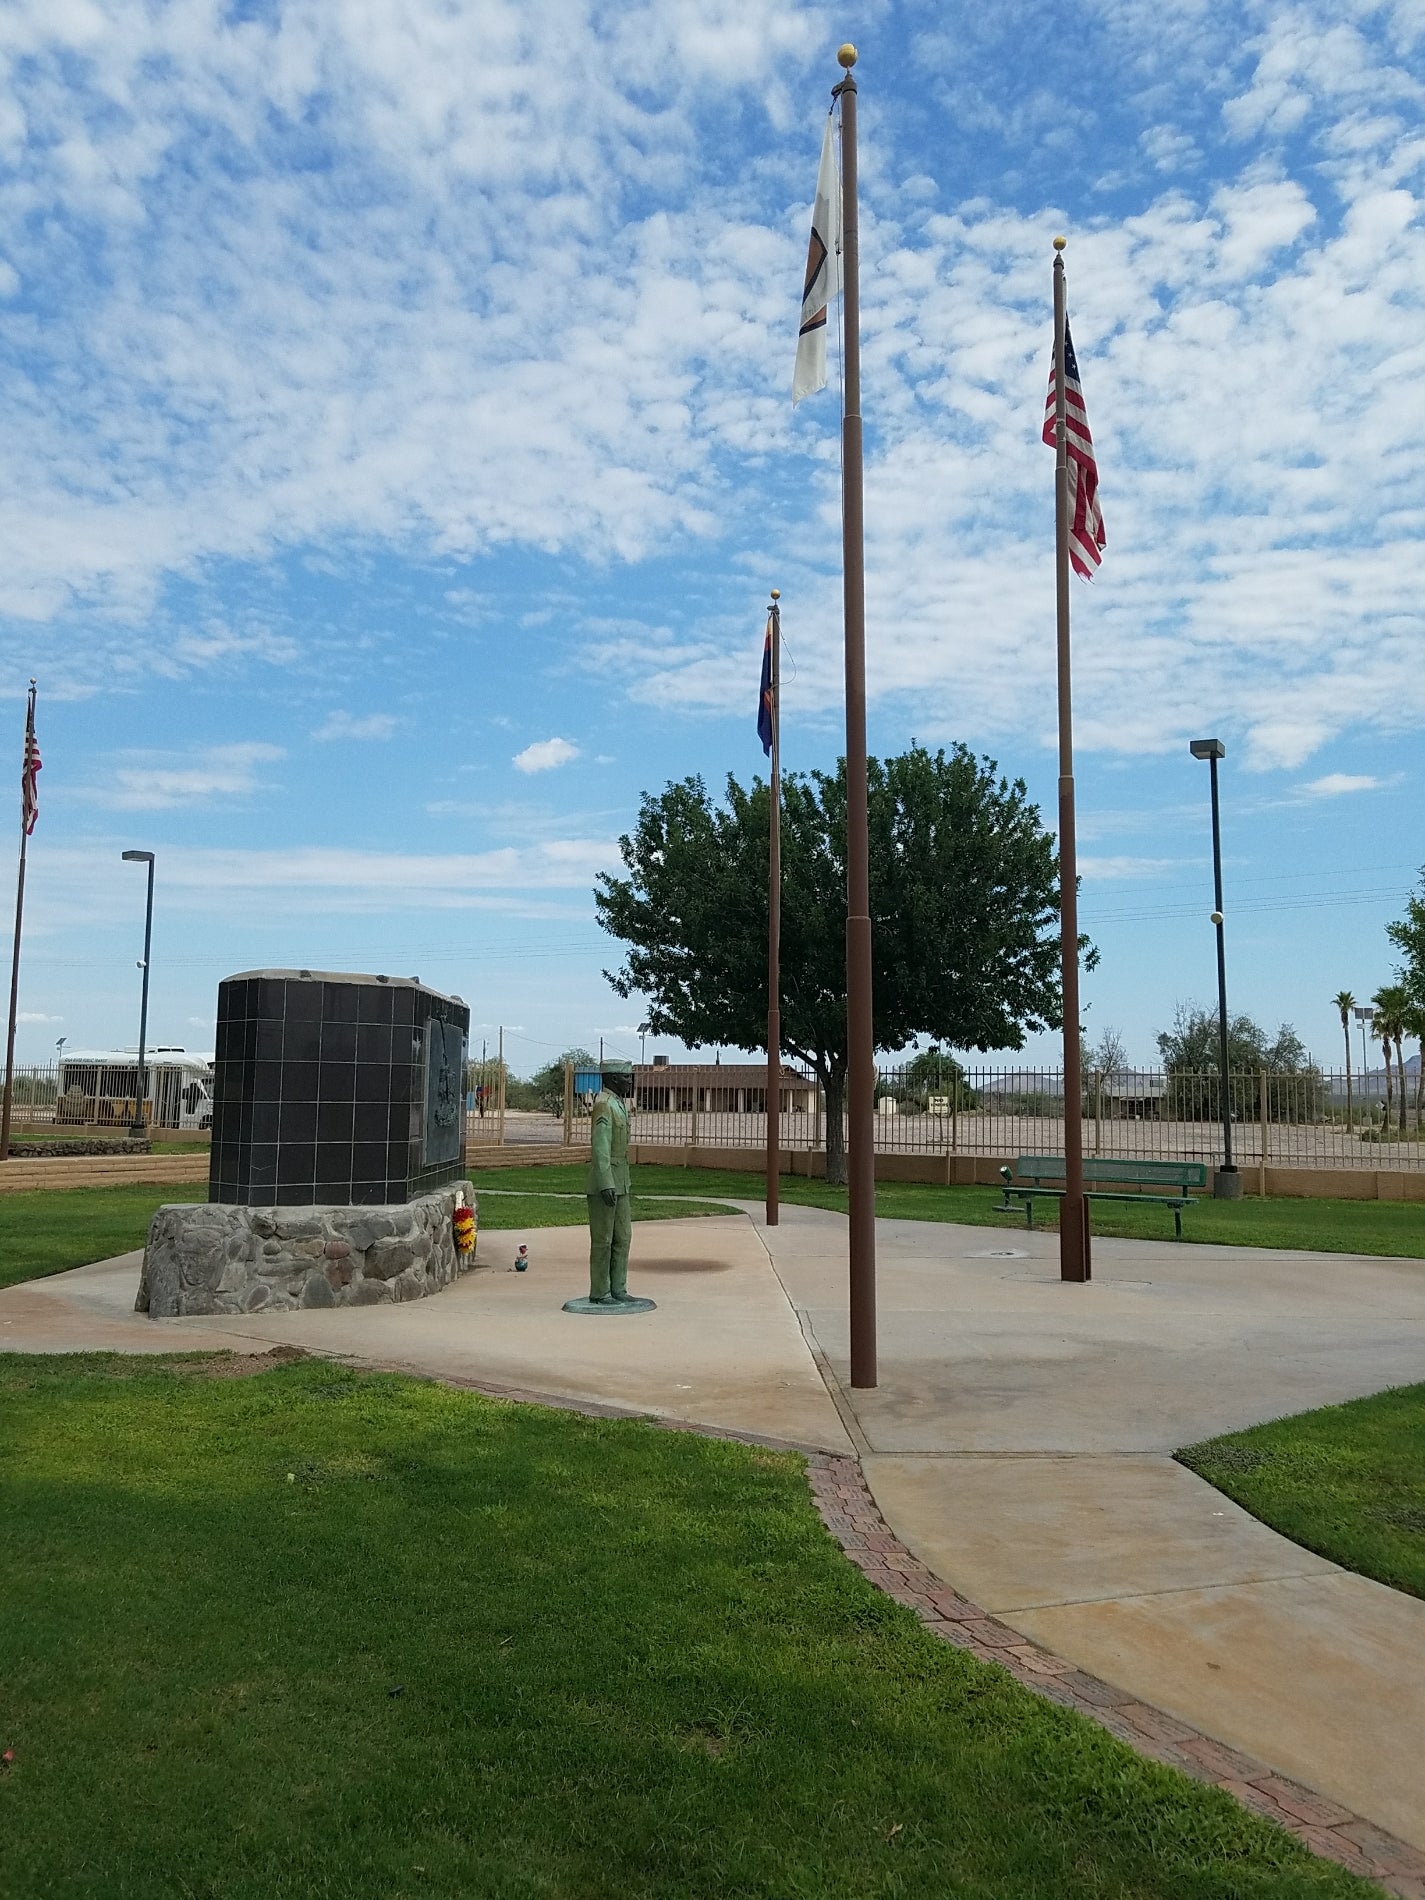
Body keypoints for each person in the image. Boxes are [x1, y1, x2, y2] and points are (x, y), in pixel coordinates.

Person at [585, 1059, 635, 1304]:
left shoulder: (618, 1104)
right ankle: (600, 1291)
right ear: (614, 1078)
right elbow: (600, 1148)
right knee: (603, 1240)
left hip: (621, 1181)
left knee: (623, 1237)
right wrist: (606, 1182)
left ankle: (619, 1288)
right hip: (605, 1182)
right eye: (627, 1078)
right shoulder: (603, 1105)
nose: (630, 1082)